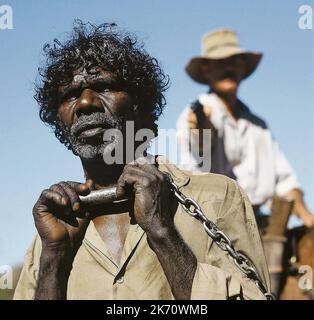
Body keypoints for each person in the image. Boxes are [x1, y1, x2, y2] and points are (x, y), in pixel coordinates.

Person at [14, 21, 270, 300]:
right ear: (59, 120)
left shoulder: (217, 199)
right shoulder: (50, 237)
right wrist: (55, 261)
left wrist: (163, 233)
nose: (86, 103)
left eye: (104, 87)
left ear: (141, 104)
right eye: (70, 95)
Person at [177, 28, 314, 228]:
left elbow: (286, 181)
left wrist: (307, 217)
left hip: (260, 223)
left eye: (233, 61)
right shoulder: (198, 113)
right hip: (213, 224)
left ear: (243, 68)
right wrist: (200, 125)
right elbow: (200, 142)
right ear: (206, 70)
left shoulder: (259, 126)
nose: (228, 68)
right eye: (220, 62)